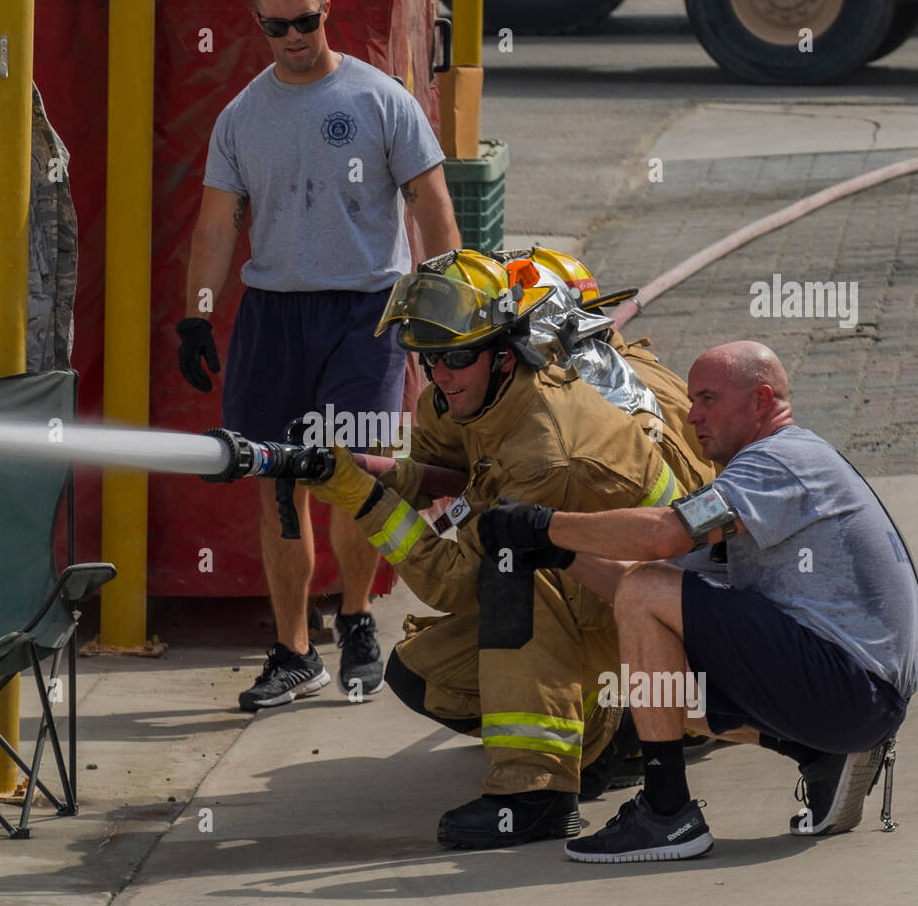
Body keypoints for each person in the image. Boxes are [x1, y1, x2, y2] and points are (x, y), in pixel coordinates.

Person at [305, 250, 713, 848]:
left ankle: (536, 795)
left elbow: (452, 578)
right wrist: (351, 467)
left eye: (458, 357)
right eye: (429, 359)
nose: (442, 374)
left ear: (505, 350)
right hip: (603, 593)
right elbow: (443, 469)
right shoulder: (473, 392)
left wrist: (359, 498)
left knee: (509, 567)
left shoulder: (549, 450)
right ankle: (611, 725)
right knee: (422, 676)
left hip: (660, 607)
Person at [480, 341, 918, 863]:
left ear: (761, 400)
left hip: (852, 687)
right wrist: (555, 551)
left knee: (651, 608)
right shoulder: (762, 472)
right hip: (856, 697)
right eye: (692, 400)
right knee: (657, 688)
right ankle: (818, 753)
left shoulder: (778, 463)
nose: (693, 415)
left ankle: (667, 814)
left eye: (709, 399)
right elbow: (651, 581)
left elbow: (663, 539)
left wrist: (542, 521)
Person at [176, 0, 461, 713]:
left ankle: (359, 618)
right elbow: (214, 226)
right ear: (259, 26)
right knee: (279, 480)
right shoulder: (242, 115)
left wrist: (446, 315)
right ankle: (294, 650)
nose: (296, 36)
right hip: (274, 314)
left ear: (327, 9)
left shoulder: (380, 99)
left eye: (308, 20)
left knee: (355, 470)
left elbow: (433, 209)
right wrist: (198, 313)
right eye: (279, 26)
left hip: (365, 310)